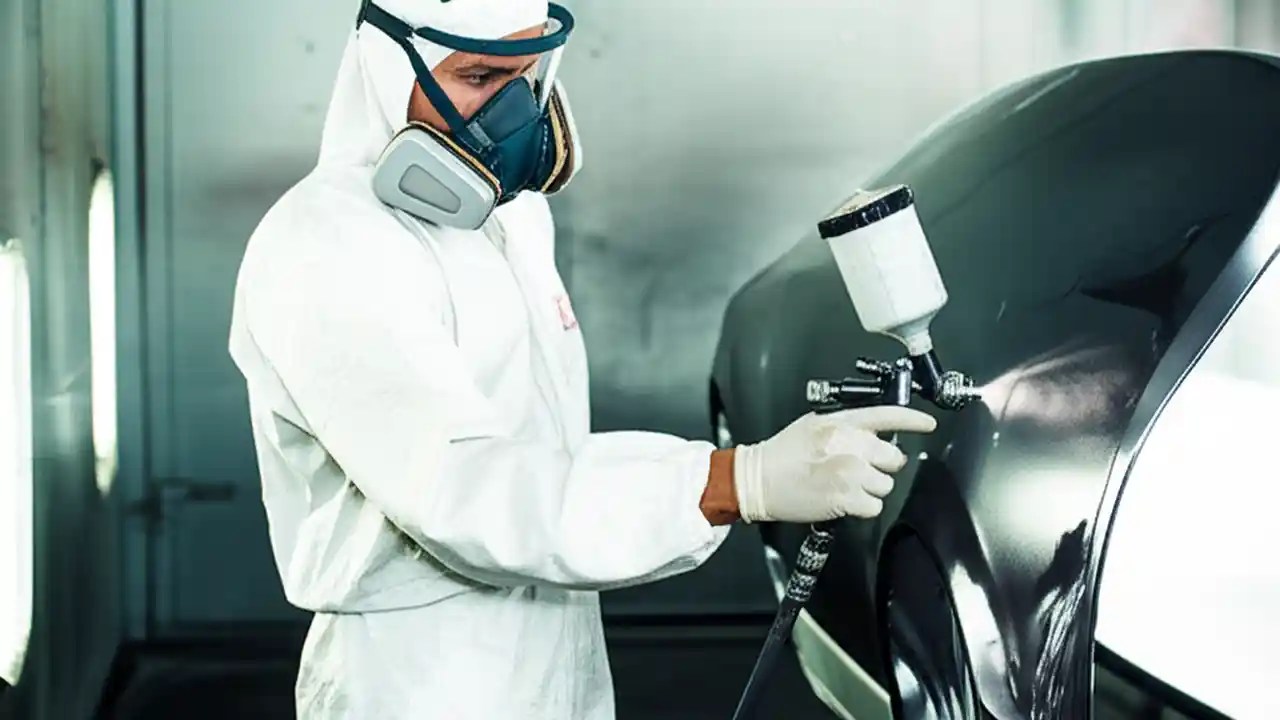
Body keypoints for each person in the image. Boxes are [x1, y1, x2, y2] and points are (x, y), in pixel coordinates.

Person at [227, 0, 937, 717]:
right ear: (385, 70)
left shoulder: (508, 218)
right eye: (477, 76)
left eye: (525, 75)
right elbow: (471, 491)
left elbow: (547, 457)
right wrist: (737, 480)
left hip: (556, 638)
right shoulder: (326, 246)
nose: (510, 114)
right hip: (423, 676)